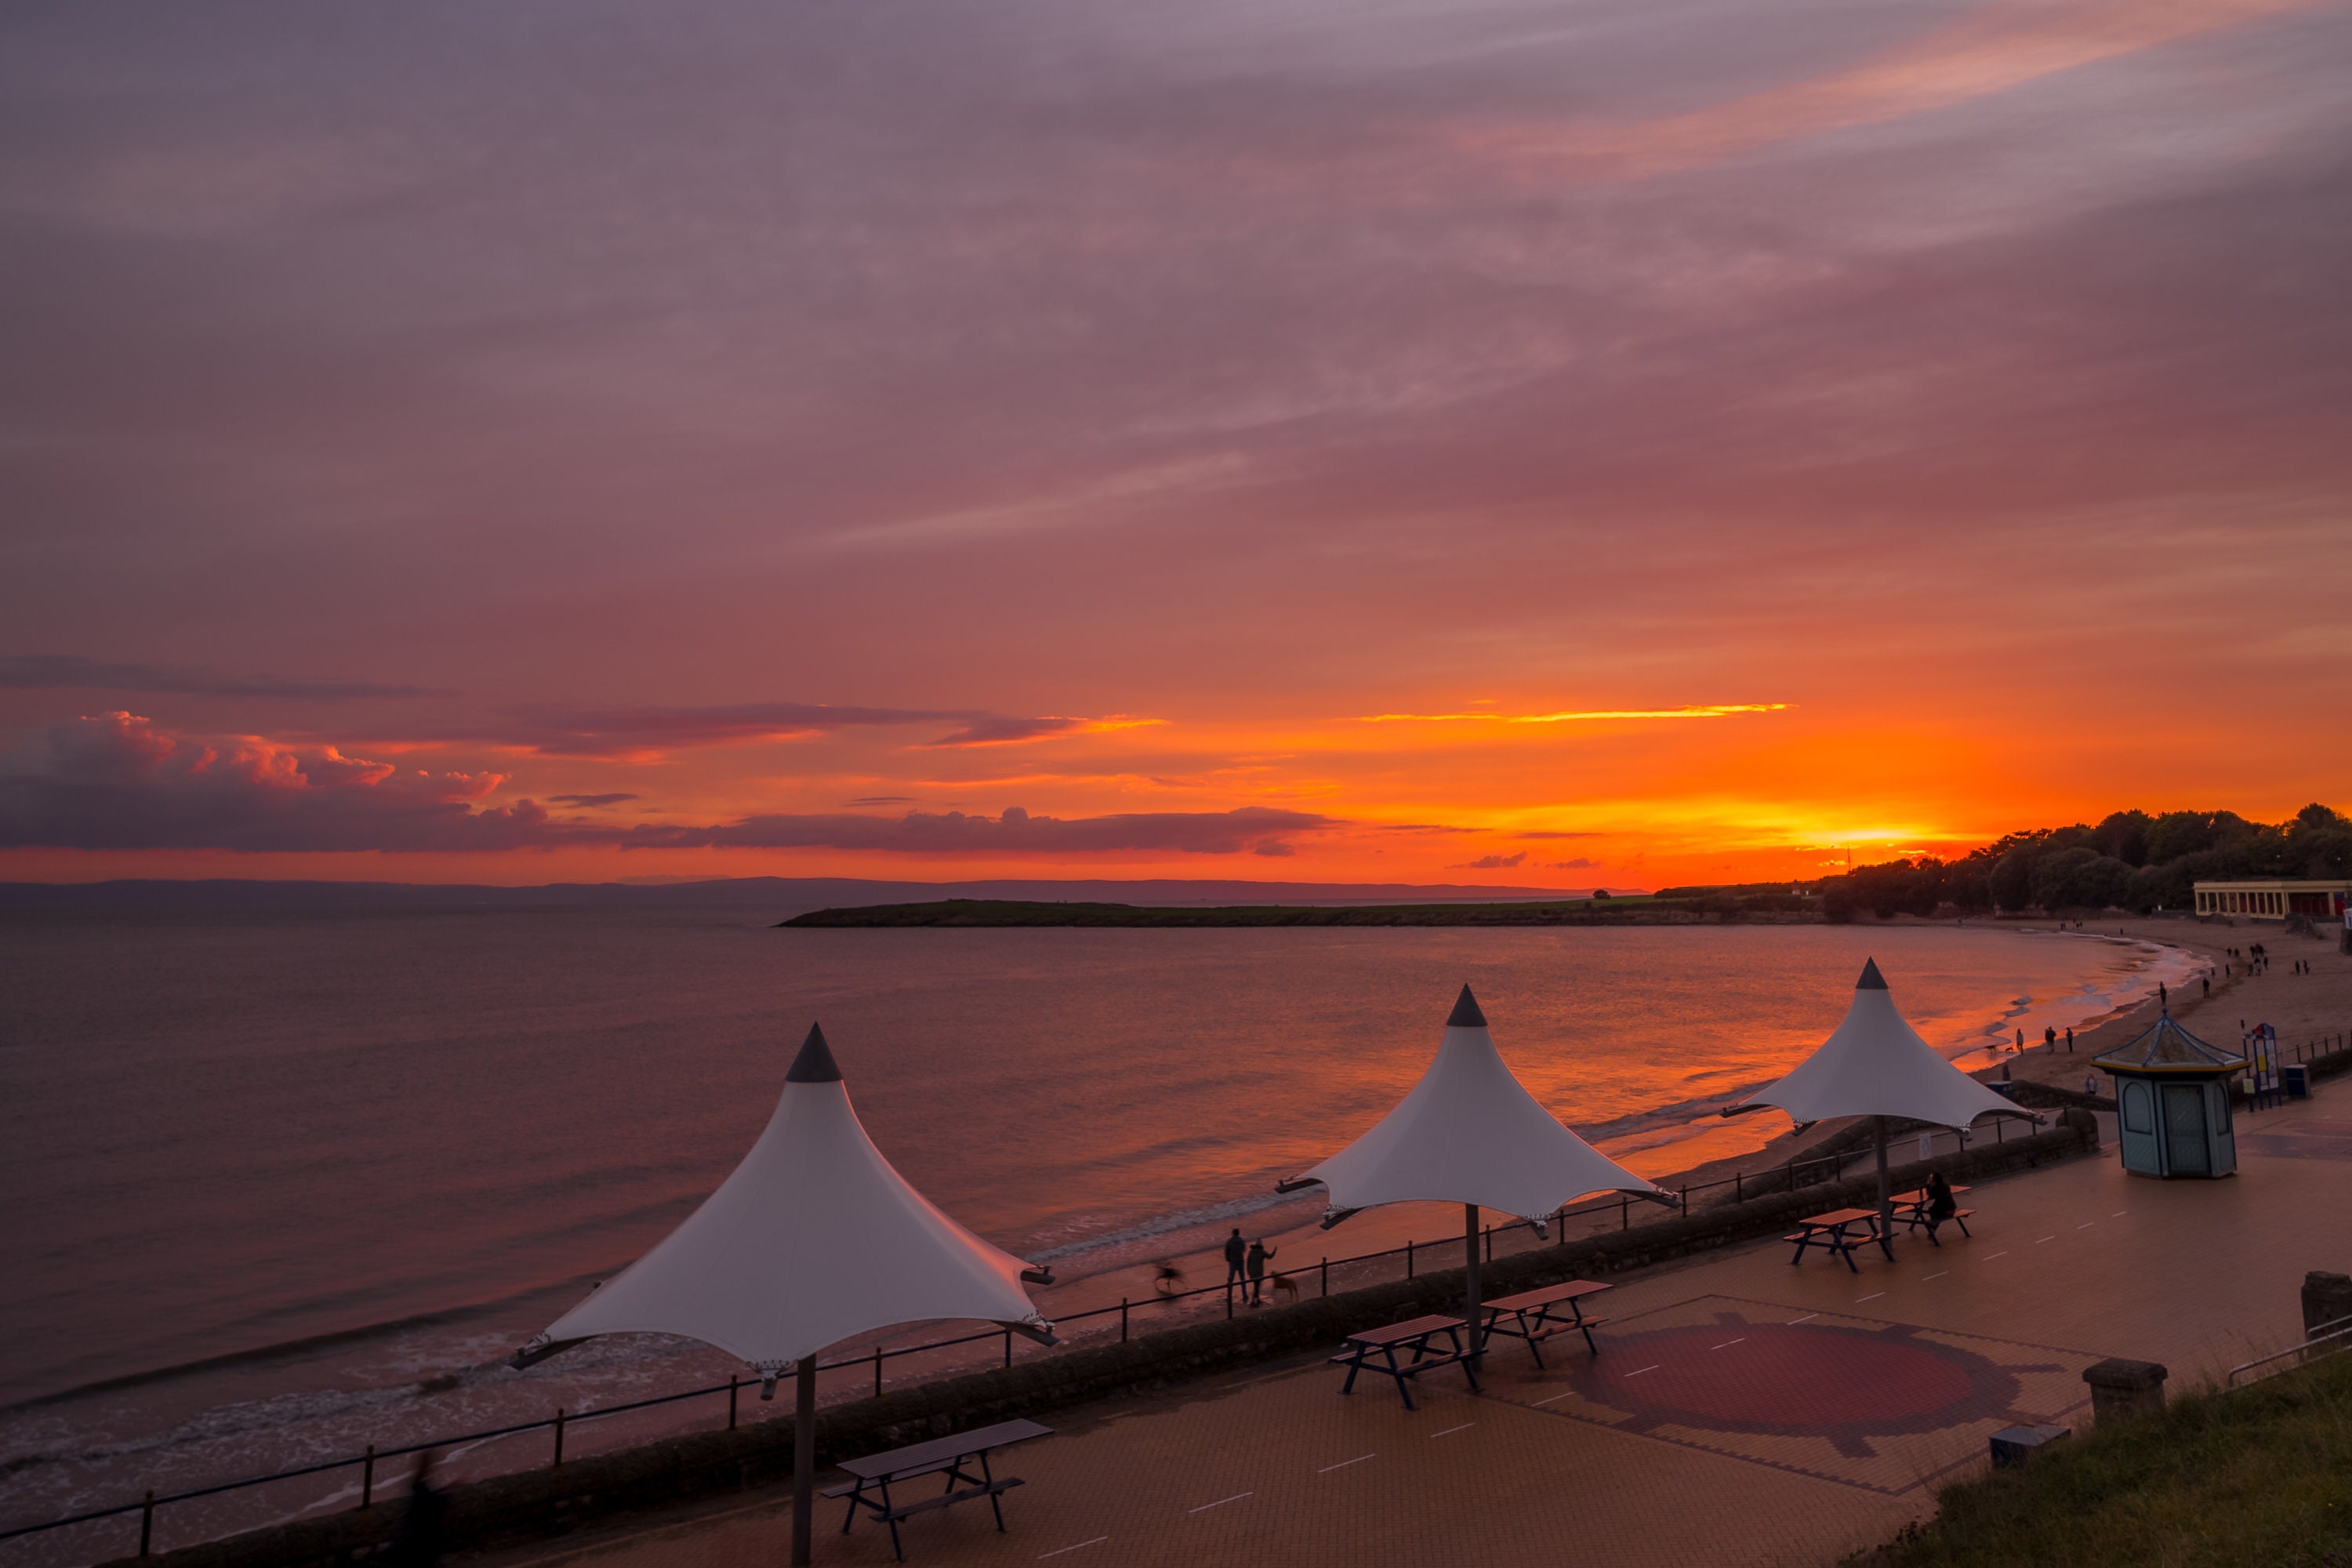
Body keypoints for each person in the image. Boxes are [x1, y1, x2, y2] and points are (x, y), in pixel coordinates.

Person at [1924, 1171, 1957, 1243]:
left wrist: (1928, 1185)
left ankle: (1933, 1226)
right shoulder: (1946, 1186)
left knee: (1931, 1210)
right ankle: (1934, 1226)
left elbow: (1930, 1195)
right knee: (1935, 1210)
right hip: (1952, 1209)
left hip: (1945, 1212)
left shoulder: (1935, 1189)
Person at [1245, 1237, 1276, 1305]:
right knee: (1257, 1286)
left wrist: (1248, 1270)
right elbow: (1270, 1257)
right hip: (1259, 1272)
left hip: (1252, 1272)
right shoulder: (1262, 1252)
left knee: (1256, 1285)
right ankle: (1254, 1300)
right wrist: (1275, 1251)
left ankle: (1257, 1299)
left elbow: (1248, 1262)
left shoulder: (1251, 1252)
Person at [1223, 1228, 1247, 1294]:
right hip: (1240, 1261)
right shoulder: (1241, 1240)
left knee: (1231, 1279)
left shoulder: (1230, 1241)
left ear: (1233, 1233)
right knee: (1242, 1278)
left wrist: (1227, 1258)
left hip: (1233, 1262)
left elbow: (1226, 1251)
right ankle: (1244, 1294)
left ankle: (1229, 1294)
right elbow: (1244, 1249)